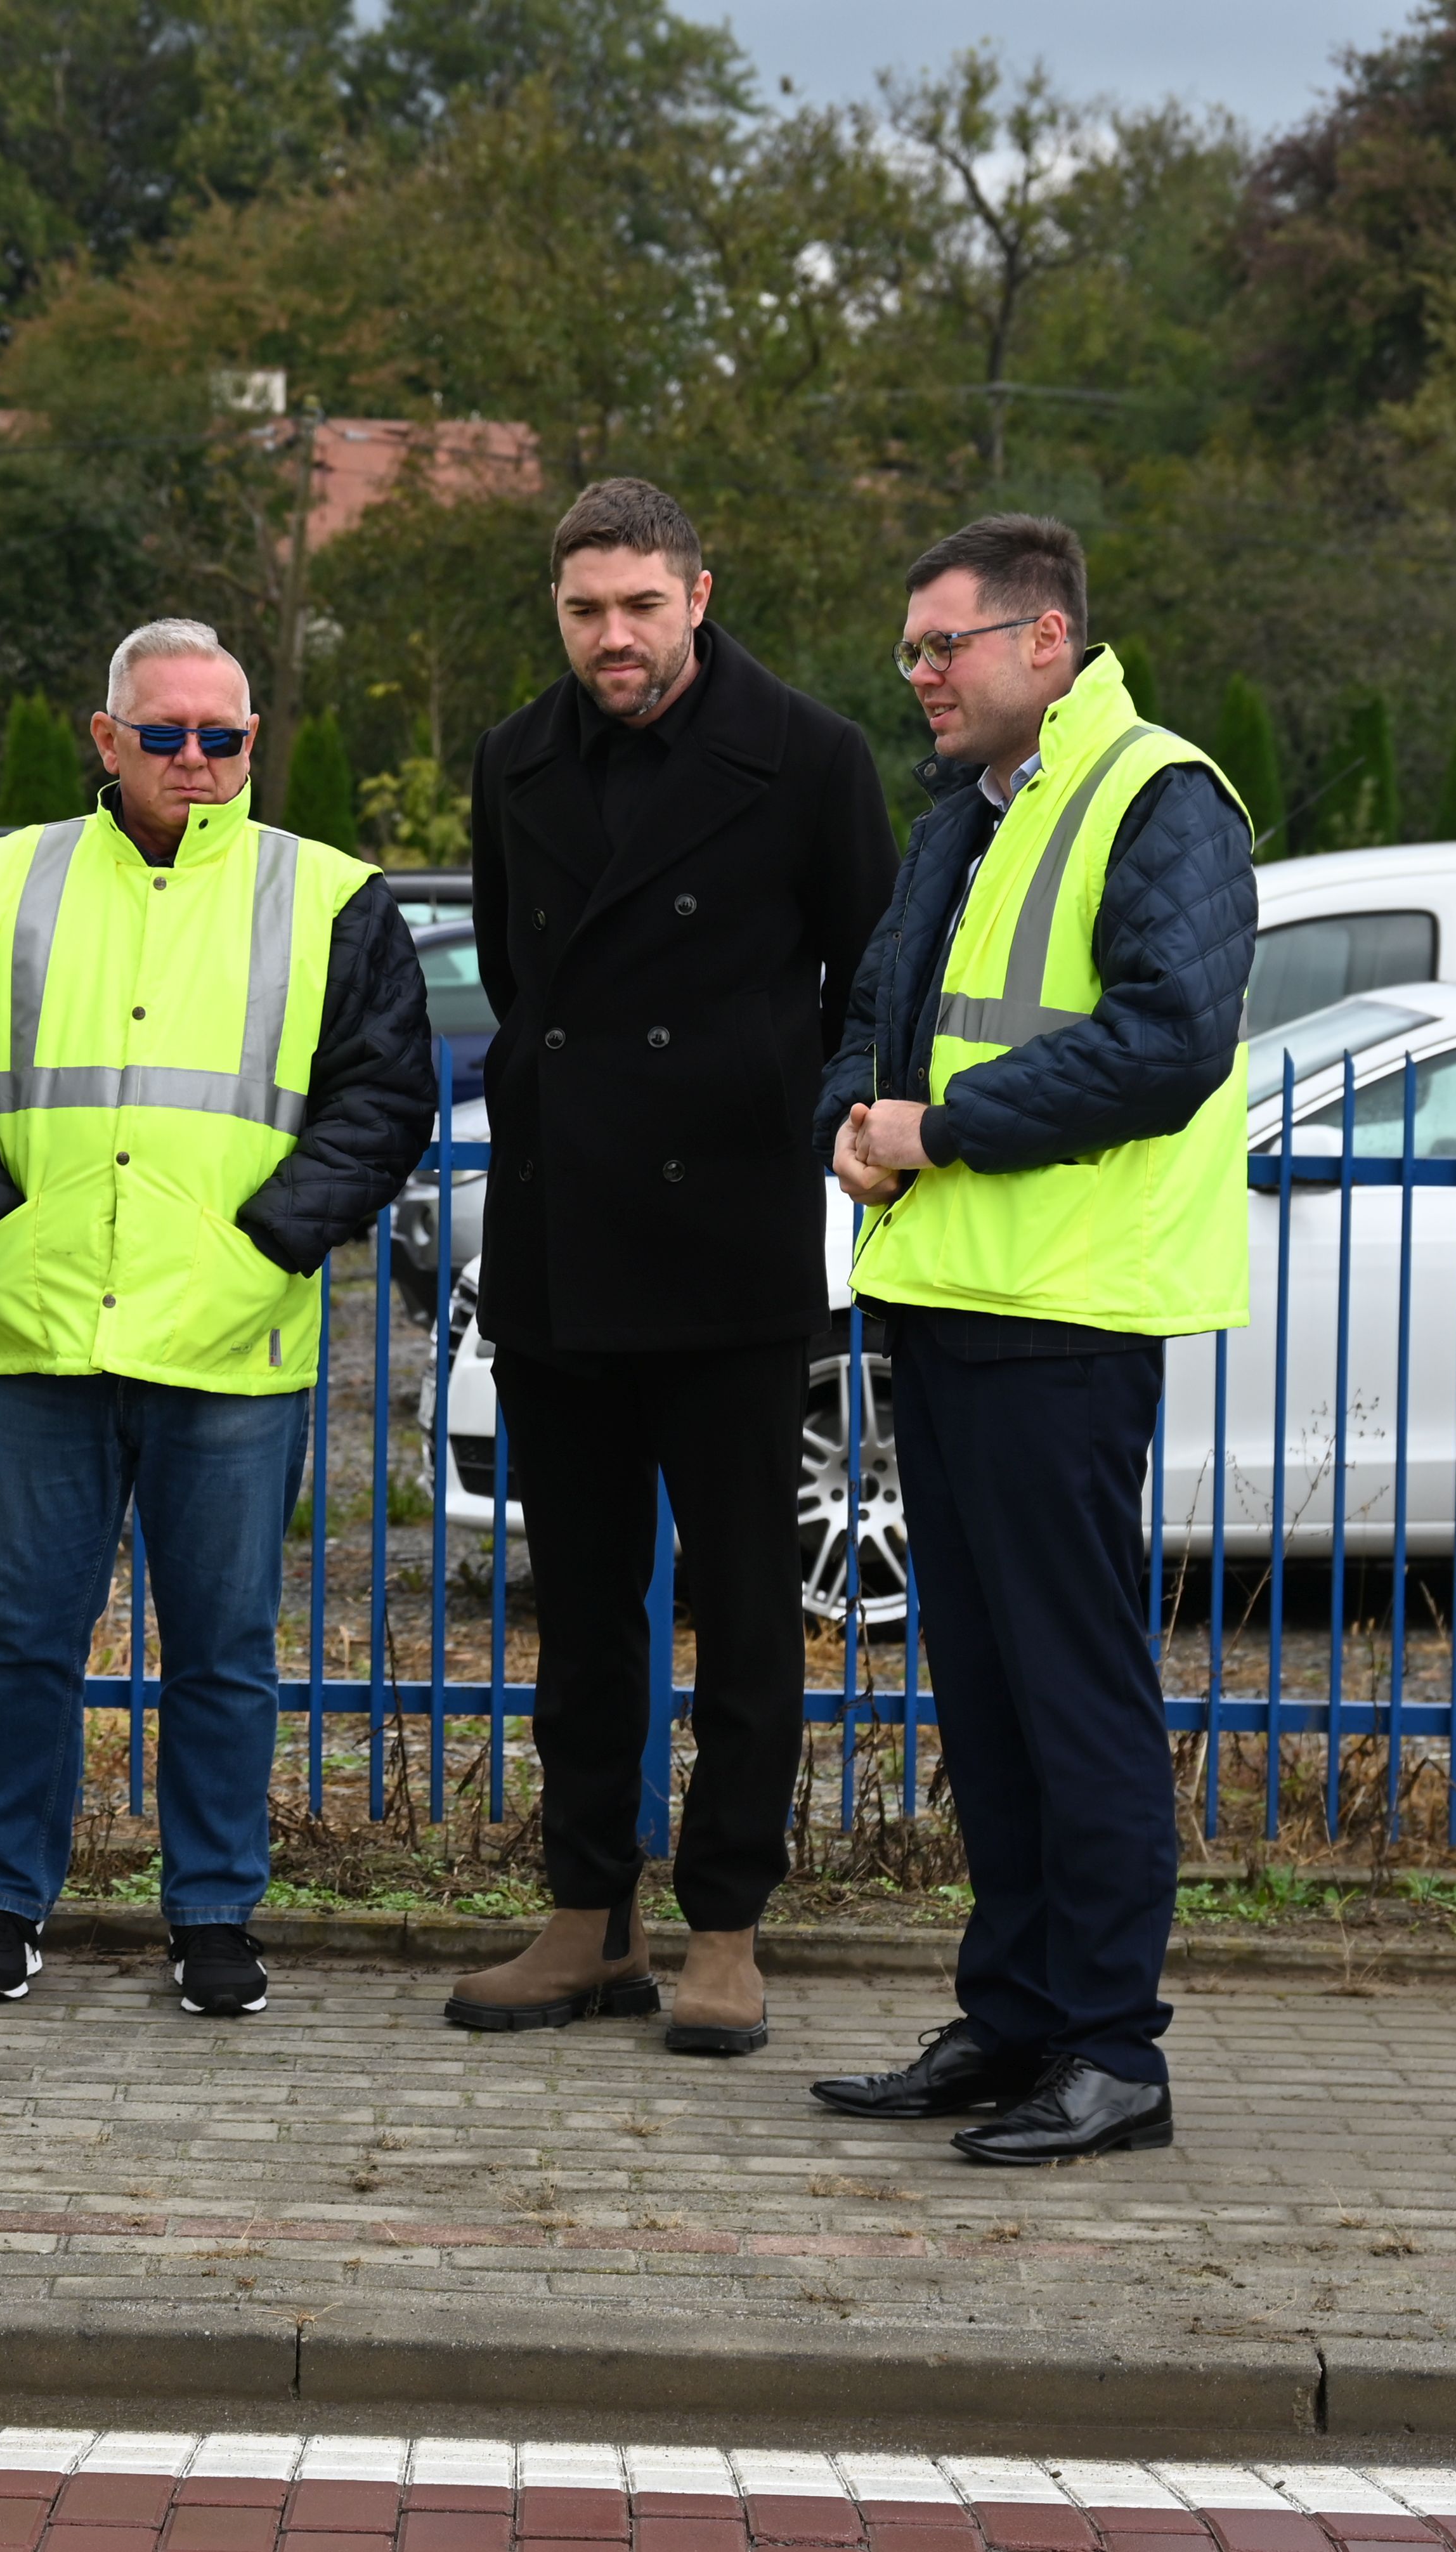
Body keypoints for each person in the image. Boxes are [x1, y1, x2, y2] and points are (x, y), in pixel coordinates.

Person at [0, 620, 434, 2019]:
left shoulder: (332, 898)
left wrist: (274, 1236)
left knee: (224, 1651)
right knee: (19, 1646)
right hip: (39, 1329)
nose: (198, 760)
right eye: (168, 734)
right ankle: (6, 1899)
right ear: (106, 736)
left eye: (226, 737)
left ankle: (211, 1911)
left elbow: (382, 1100)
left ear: (255, 742)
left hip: (233, 1341)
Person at [807, 513, 1254, 2165]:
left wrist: (940, 1130)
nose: (919, 674)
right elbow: (876, 1018)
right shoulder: (968, 818)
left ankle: (1111, 2051)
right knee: (987, 1697)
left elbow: (1166, 1042)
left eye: (947, 646)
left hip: (1066, 1312)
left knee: (1074, 1695)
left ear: (1045, 642)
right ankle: (1012, 2020)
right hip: (951, 1301)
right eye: (913, 650)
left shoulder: (1160, 797)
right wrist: (847, 1113)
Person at [449, 479, 895, 2057]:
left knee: (747, 1608)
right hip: (564, 1243)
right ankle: (588, 1917)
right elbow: (518, 977)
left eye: (641, 605)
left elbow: (869, 983)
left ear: (700, 594)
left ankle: (726, 1926)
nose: (613, 637)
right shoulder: (515, 759)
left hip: (730, 1246)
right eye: (586, 610)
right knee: (575, 1607)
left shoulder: (813, 755)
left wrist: (796, 1115)